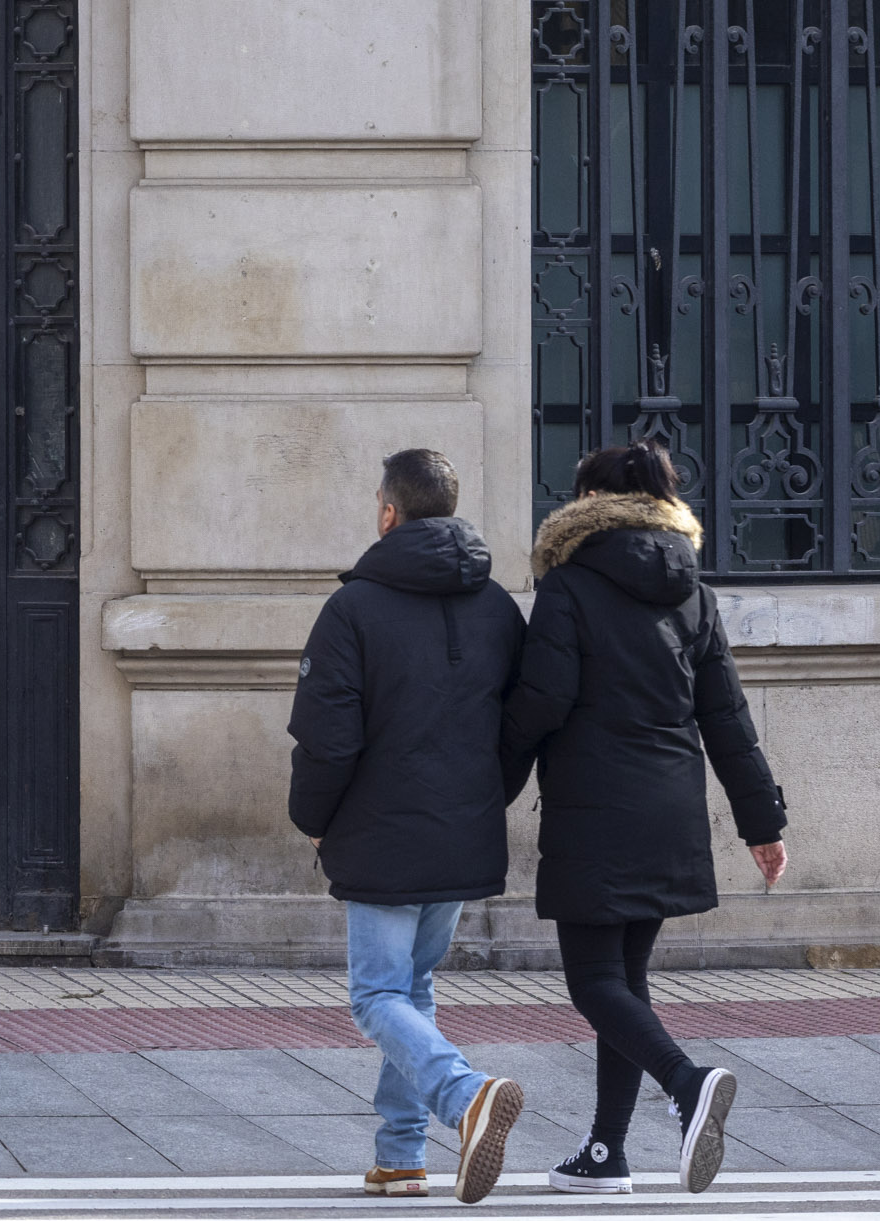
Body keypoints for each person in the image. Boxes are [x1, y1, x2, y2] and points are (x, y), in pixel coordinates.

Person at [505, 441, 788, 1197]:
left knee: (595, 982)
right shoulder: (693, 590)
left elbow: (540, 702)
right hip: (670, 807)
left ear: (589, 499)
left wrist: (487, 785)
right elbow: (727, 715)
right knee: (625, 981)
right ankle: (606, 1152)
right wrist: (762, 821)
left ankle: (688, 1083)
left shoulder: (568, 586)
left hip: (597, 810)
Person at [289, 447, 529, 1202]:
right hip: (462, 827)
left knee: (375, 996)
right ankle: (398, 1154)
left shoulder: (352, 608)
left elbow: (327, 737)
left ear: (389, 512)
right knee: (412, 987)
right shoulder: (497, 606)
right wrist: (488, 798)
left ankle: (464, 1096)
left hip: (382, 832)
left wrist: (314, 819)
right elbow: (518, 728)